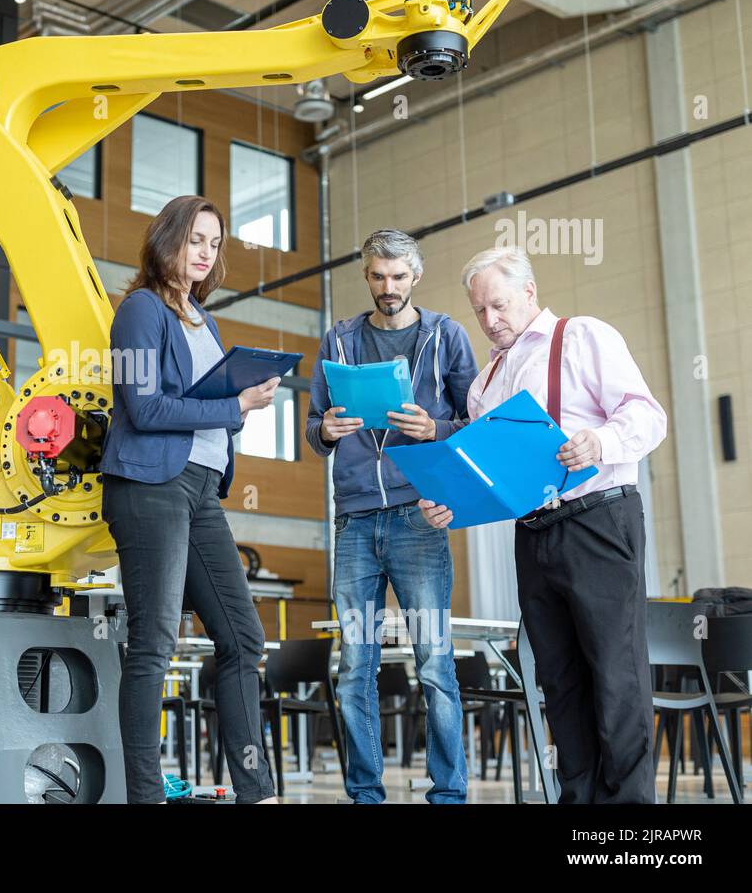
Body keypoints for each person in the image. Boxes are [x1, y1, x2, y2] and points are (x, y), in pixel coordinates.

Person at [420, 246, 667, 803]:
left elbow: (647, 414)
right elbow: (489, 478)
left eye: (499, 305)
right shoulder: (484, 385)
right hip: (533, 535)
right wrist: (448, 504)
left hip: (599, 521)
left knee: (615, 674)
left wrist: (599, 440)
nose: (490, 320)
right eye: (479, 311)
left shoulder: (583, 337)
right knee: (559, 681)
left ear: (529, 293)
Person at [100, 194, 279, 804]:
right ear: (167, 239)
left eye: (214, 243)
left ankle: (257, 792)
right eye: (195, 239)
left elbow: (205, 410)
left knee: (243, 639)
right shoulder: (139, 310)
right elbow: (143, 408)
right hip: (150, 485)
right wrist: (236, 405)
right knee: (154, 639)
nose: (205, 253)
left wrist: (239, 404)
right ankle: (144, 796)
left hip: (203, 488)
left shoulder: (207, 321)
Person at [306, 229, 478, 803]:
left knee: (434, 661)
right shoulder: (338, 340)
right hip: (355, 524)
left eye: (398, 277)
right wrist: (324, 431)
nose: (388, 288)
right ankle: (365, 794)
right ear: (366, 276)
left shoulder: (446, 336)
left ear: (416, 277)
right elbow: (315, 427)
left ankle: (448, 793)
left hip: (417, 521)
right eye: (378, 277)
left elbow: (476, 420)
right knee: (356, 665)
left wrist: (438, 429)